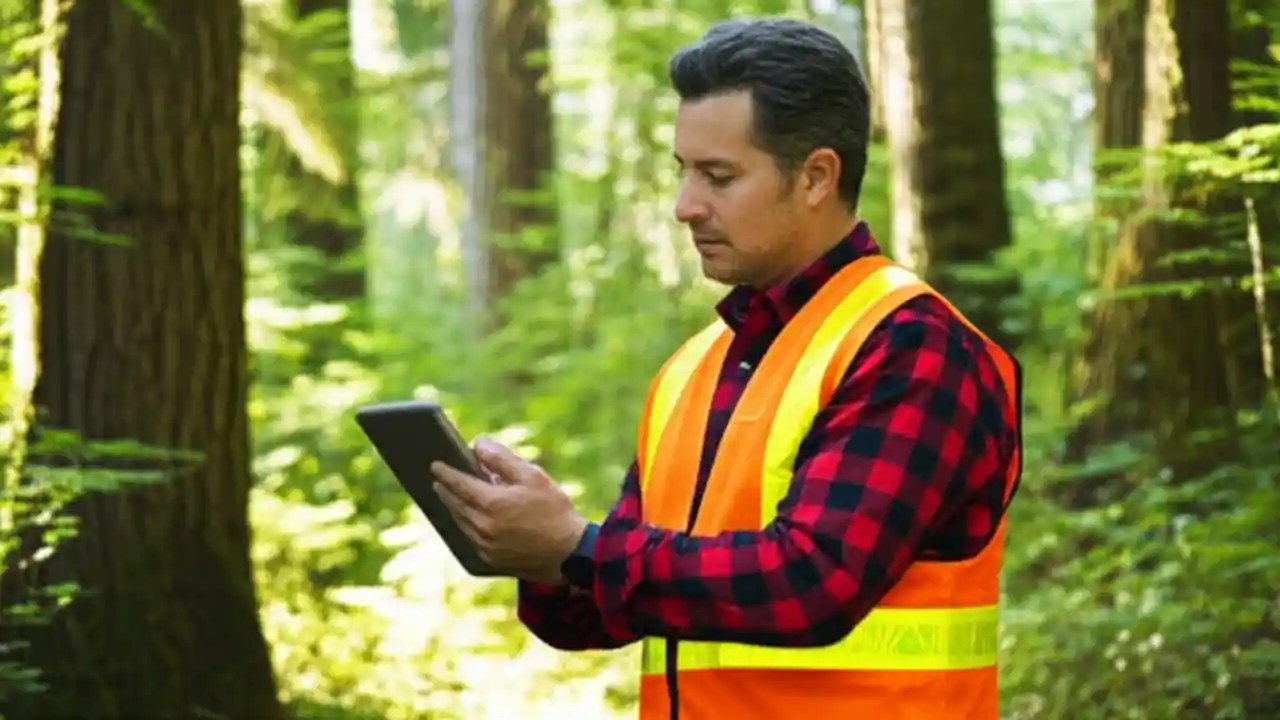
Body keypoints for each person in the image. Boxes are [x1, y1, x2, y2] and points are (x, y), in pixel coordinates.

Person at [430, 16, 1022, 720]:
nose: (685, 207)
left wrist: (579, 547)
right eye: (682, 172)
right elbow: (603, 613)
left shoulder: (913, 346)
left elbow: (811, 582)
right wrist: (542, 551)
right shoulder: (693, 369)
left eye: (719, 176)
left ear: (816, 177)